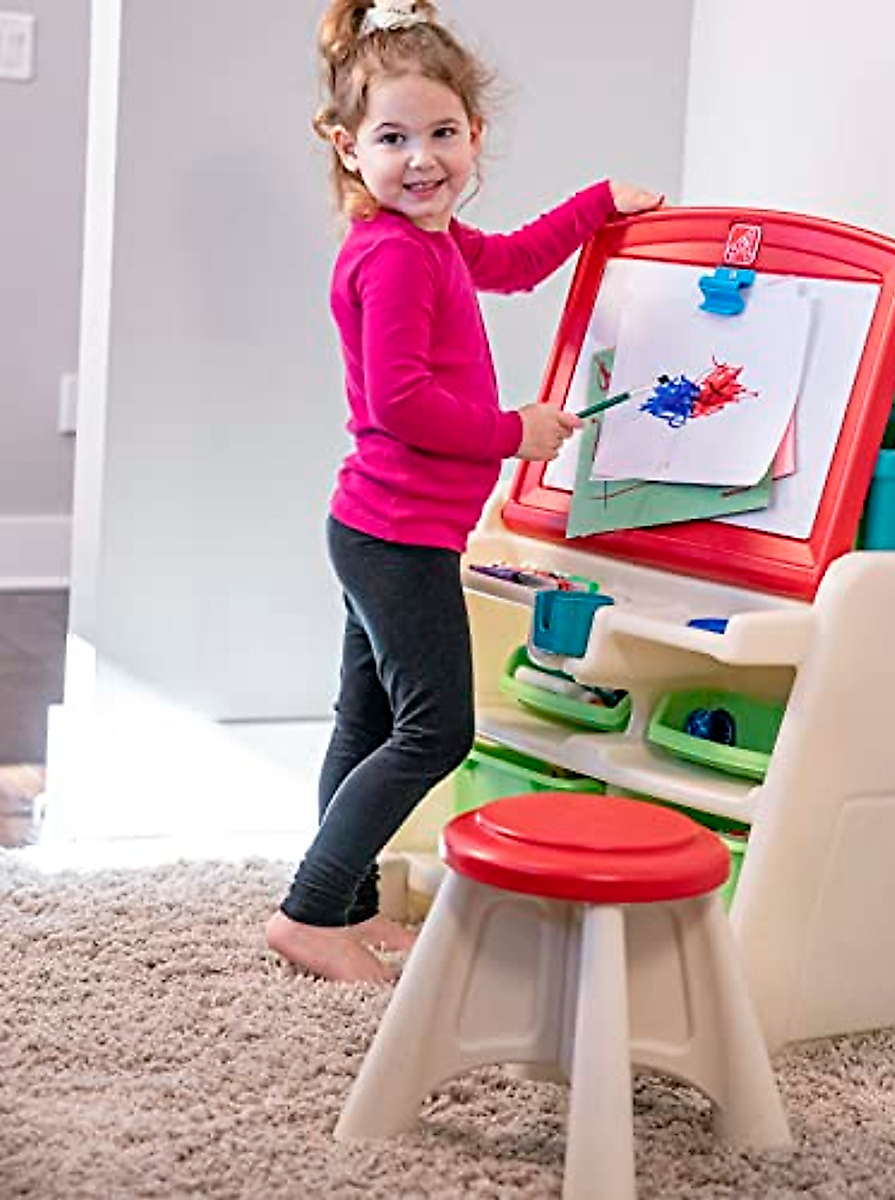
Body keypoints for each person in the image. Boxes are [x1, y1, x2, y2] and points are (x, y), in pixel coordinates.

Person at [266, 0, 664, 982]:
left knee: (366, 722)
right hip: (397, 535)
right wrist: (514, 433)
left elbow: (518, 263)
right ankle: (311, 914)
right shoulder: (396, 258)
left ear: (476, 135)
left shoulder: (432, 242)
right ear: (348, 148)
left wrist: (598, 204)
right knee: (435, 730)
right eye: (393, 138)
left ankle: (346, 909)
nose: (422, 159)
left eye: (442, 133)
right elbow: (402, 404)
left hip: (378, 527)